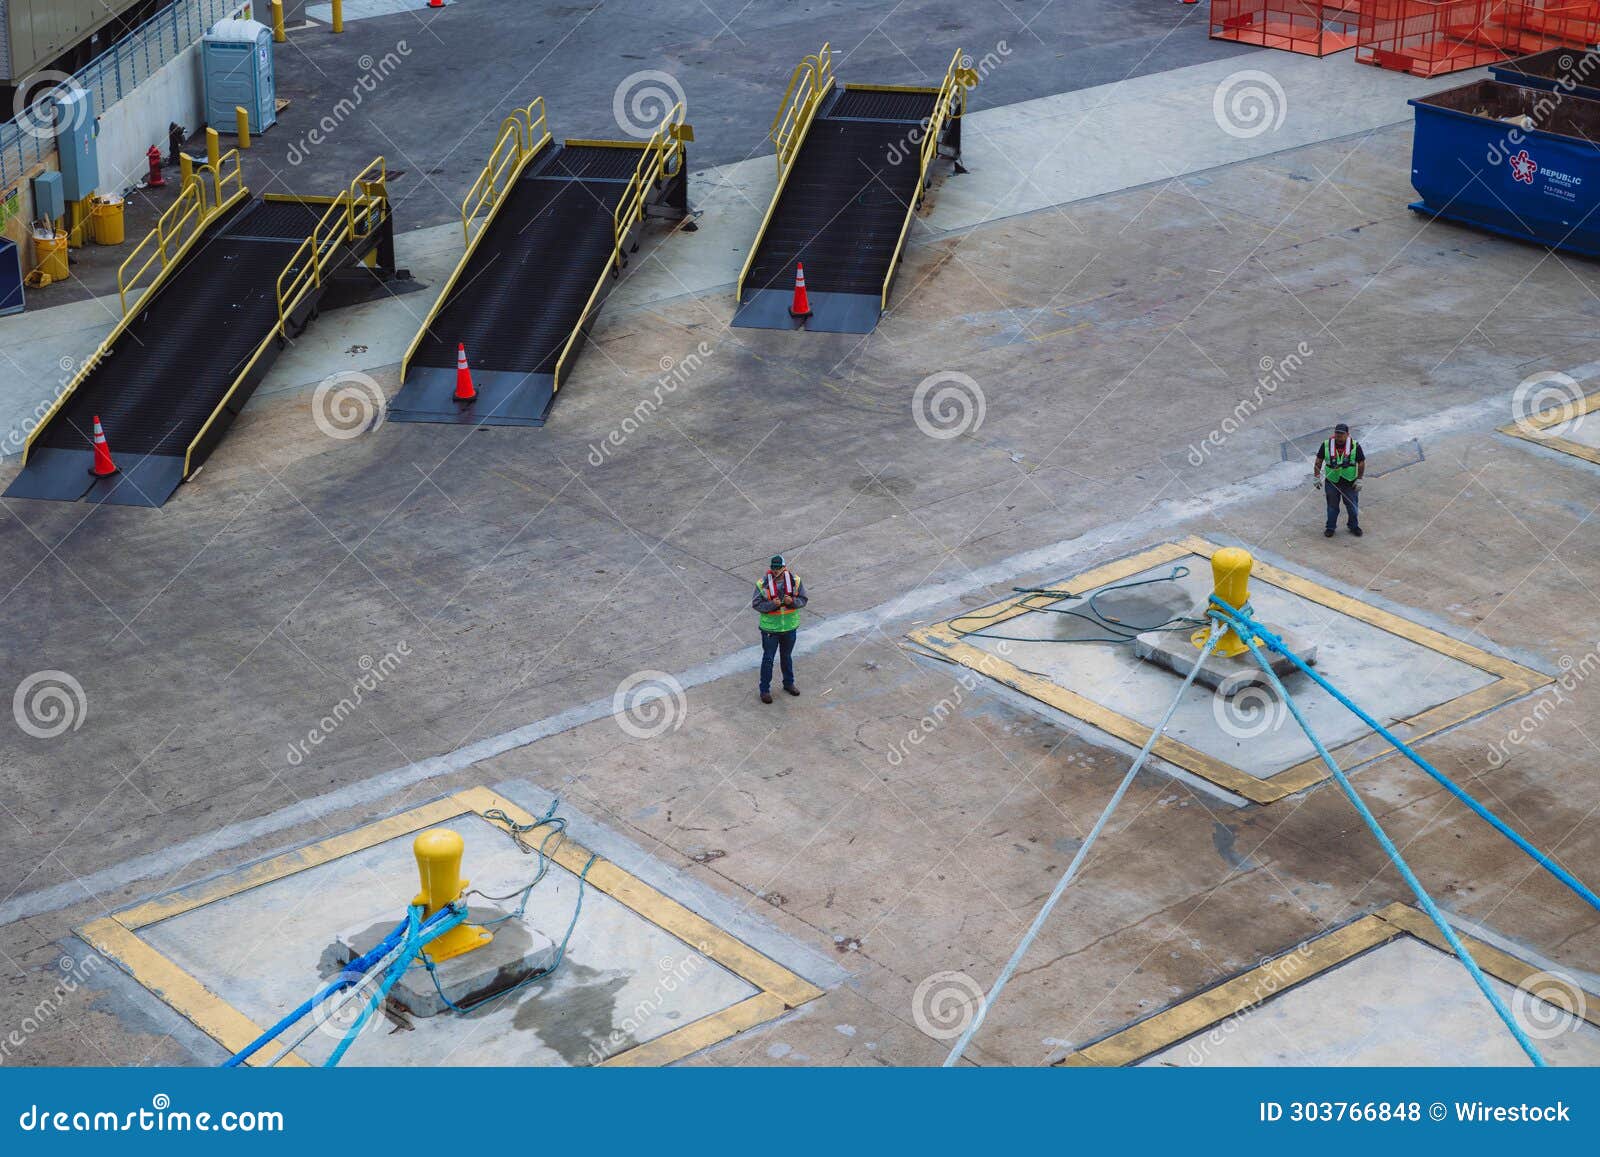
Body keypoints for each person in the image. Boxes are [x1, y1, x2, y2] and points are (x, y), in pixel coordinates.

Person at [752, 554, 807, 704]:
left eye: (779, 568)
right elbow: (756, 604)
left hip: (789, 627)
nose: (776, 572)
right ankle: (764, 690)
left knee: (786, 656)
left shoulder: (795, 581)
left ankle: (788, 683)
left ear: (784, 567)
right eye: (773, 568)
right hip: (770, 629)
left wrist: (792, 602)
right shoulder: (762, 583)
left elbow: (803, 600)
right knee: (768, 659)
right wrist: (772, 605)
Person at [1314, 423, 1365, 537]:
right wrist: (1316, 477)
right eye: (1337, 433)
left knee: (1352, 506)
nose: (1339, 436)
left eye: (1342, 434)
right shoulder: (1326, 445)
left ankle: (1353, 526)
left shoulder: (1355, 446)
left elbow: (1361, 462)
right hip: (1332, 481)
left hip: (1350, 482)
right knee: (1332, 507)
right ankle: (1330, 527)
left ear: (1347, 434)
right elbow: (1318, 461)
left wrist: (1359, 479)